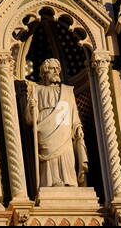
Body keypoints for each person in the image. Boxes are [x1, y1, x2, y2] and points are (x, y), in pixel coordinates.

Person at [24, 59, 88, 188]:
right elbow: (30, 119)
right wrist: (32, 109)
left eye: (57, 69)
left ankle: (69, 180)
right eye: (52, 69)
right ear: (44, 73)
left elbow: (73, 112)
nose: (56, 71)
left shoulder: (67, 91)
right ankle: (50, 182)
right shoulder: (37, 90)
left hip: (63, 124)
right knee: (50, 156)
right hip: (45, 126)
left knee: (67, 153)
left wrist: (77, 126)